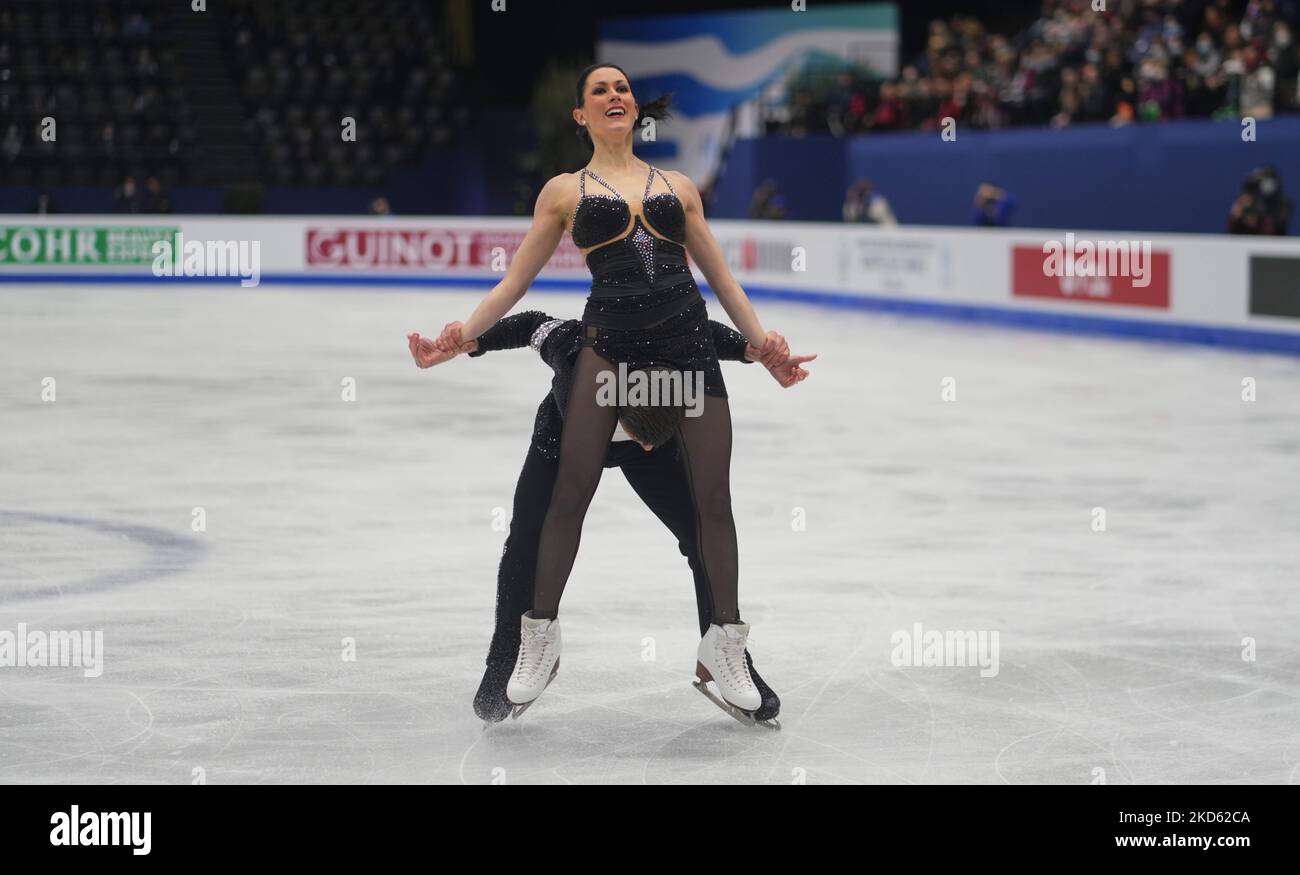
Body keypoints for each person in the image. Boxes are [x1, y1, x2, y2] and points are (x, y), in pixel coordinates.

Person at [427, 63, 794, 722]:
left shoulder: (677, 188)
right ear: (581, 115)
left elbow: (714, 300)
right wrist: (462, 337)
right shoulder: (566, 227)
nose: (614, 95)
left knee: (704, 527)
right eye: (598, 90)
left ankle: (725, 654)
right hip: (579, 421)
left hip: (655, 407)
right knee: (532, 533)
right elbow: (522, 308)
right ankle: (509, 655)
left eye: (622, 87)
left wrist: (760, 346)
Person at [408, 312, 814, 725]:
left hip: (647, 438)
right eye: (641, 437)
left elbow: (699, 332)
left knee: (702, 538)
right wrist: (471, 341)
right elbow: (530, 325)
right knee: (526, 540)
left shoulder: (660, 392)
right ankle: (505, 657)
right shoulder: (574, 351)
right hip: (563, 439)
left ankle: (726, 654)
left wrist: (749, 350)